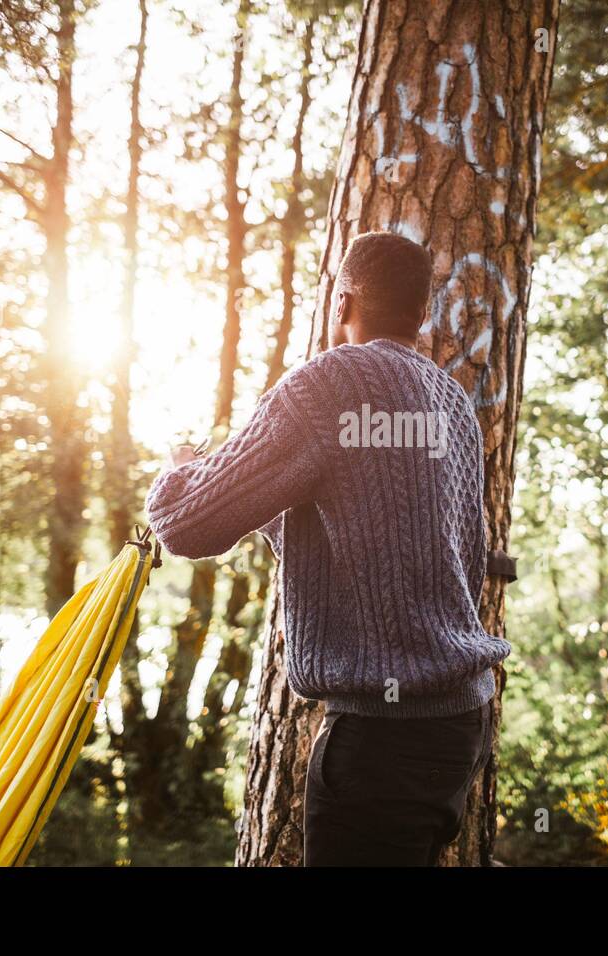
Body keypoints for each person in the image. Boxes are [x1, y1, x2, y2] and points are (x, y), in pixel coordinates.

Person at [145, 231, 509, 865]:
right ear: (421, 313)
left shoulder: (329, 386)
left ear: (342, 302)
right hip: (460, 726)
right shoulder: (452, 403)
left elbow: (184, 524)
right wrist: (265, 505)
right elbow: (404, 546)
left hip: (381, 743)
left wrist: (179, 471)